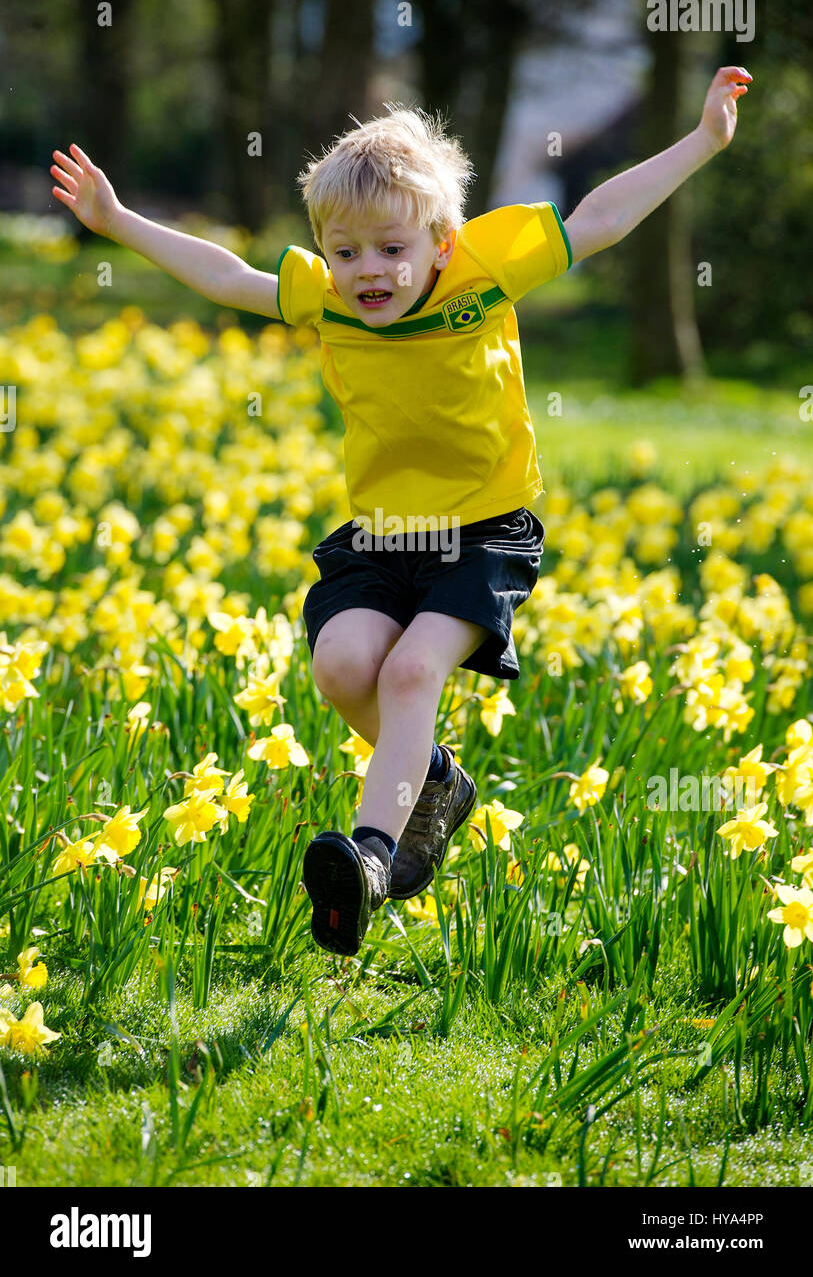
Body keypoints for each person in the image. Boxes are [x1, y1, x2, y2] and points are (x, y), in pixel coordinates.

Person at [50, 65, 752, 956]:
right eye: (344, 253)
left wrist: (700, 141)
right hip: (382, 533)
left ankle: (374, 857)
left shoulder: (485, 269)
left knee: (412, 673)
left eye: (390, 249)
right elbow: (226, 276)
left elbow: (597, 219)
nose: (366, 272)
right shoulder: (327, 300)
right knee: (344, 666)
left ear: (440, 243)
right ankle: (438, 786)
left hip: (481, 530)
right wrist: (117, 223)